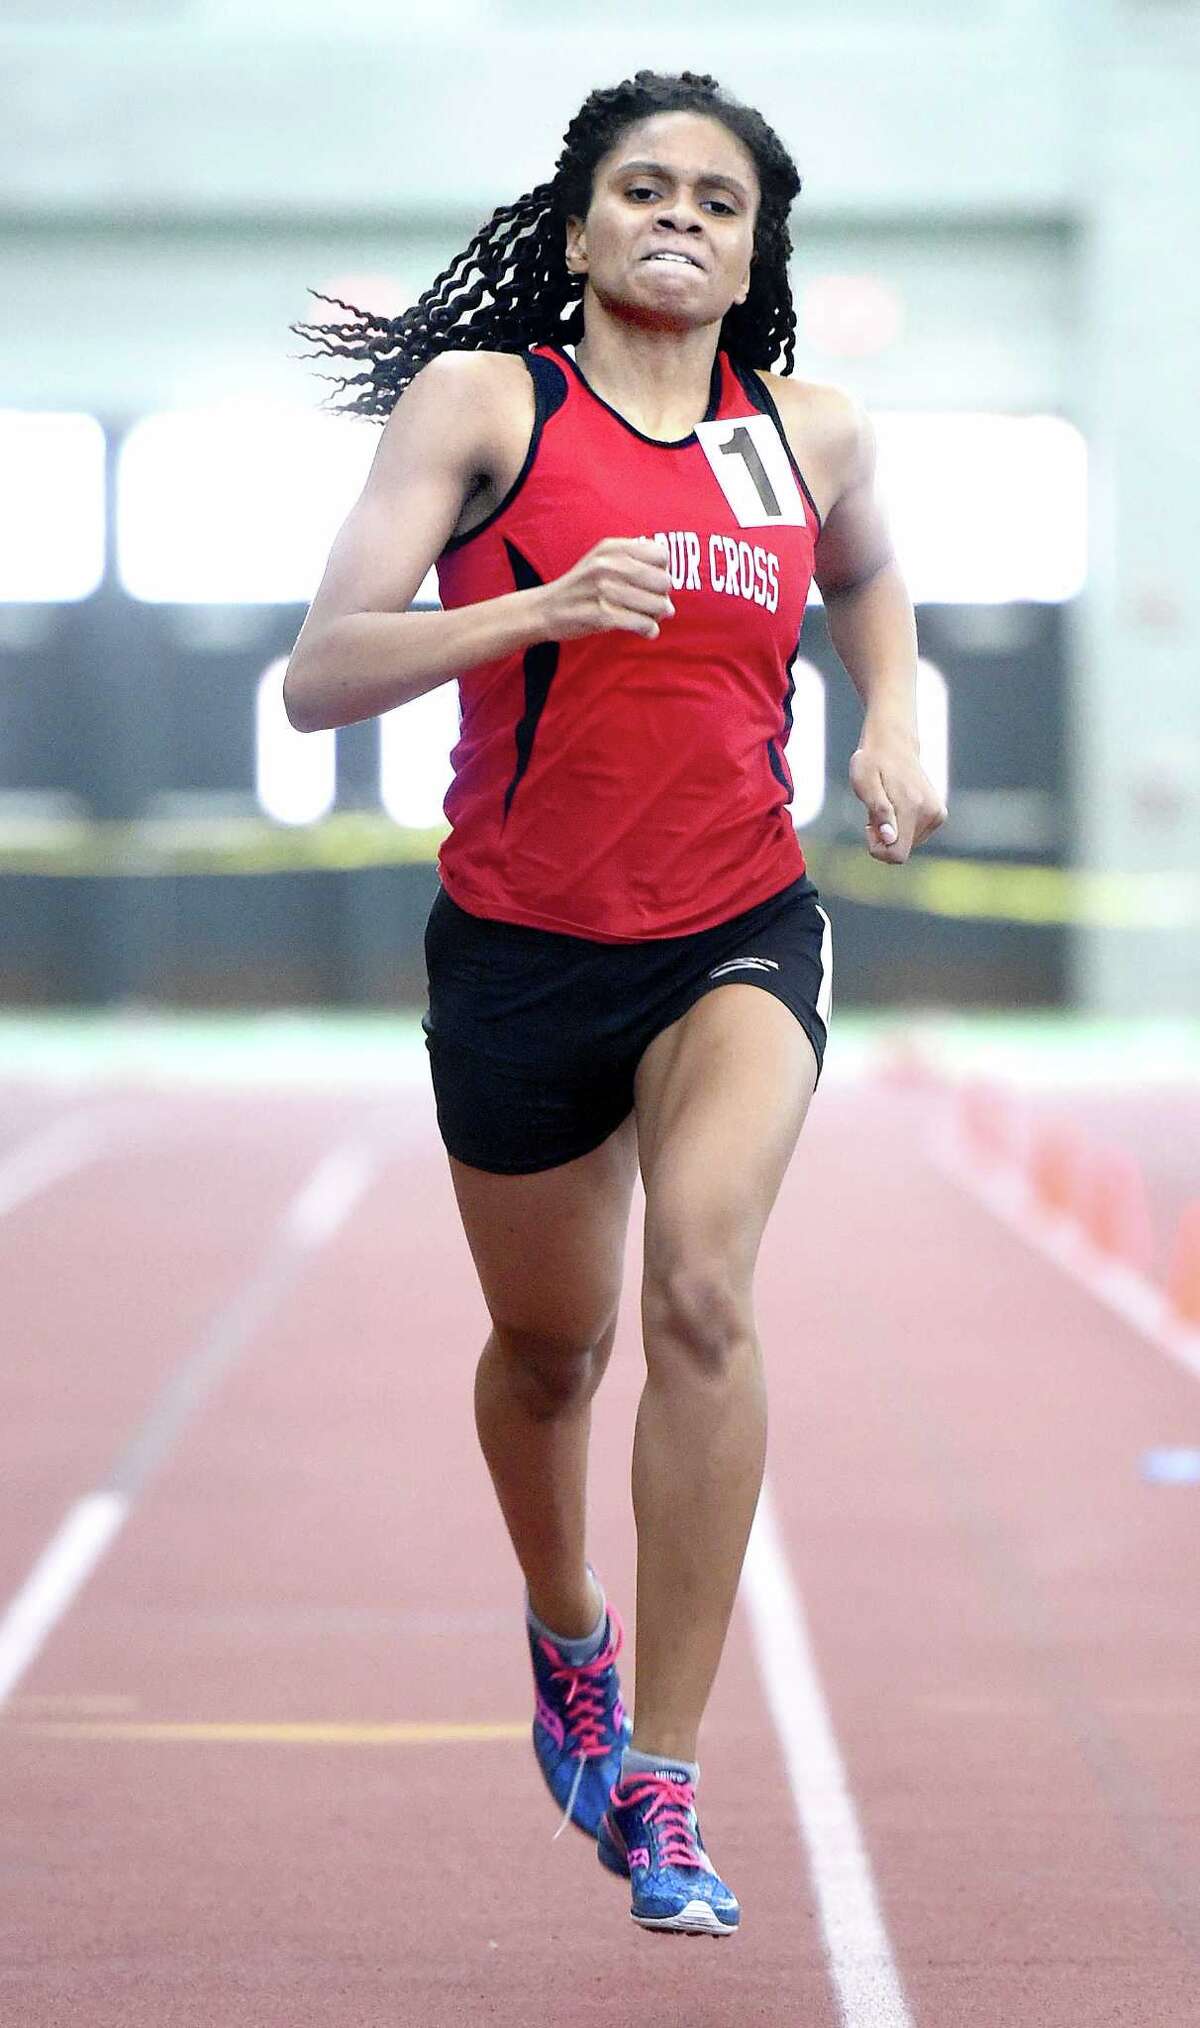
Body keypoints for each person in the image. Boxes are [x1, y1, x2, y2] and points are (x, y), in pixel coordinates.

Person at [285, 67, 945, 1938]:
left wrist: (895, 716)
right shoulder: (487, 405)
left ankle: (663, 1777)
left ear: (753, 253)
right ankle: (565, 1630)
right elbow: (319, 677)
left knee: (704, 1291)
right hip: (521, 947)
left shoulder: (809, 435)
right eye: (644, 189)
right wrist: (534, 609)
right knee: (551, 1354)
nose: (679, 220)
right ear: (578, 229)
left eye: (718, 203)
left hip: (735, 924)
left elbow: (872, 576)